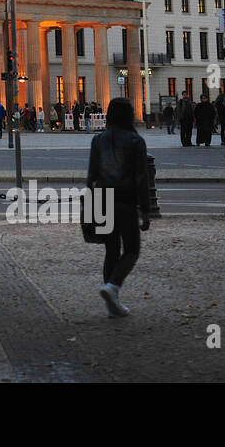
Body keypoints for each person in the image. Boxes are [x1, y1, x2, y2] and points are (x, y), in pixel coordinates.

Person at [87, 97, 151, 318]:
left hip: (102, 198)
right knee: (132, 250)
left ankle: (112, 303)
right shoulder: (136, 141)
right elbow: (142, 178)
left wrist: (93, 205)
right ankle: (113, 287)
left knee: (111, 250)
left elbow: (91, 176)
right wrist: (145, 210)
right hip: (124, 200)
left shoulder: (98, 139)